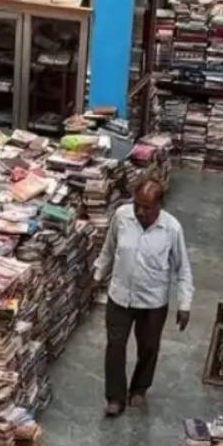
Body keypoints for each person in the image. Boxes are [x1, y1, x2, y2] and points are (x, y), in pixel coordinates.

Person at [92, 174, 195, 417]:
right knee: (115, 346)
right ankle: (115, 397)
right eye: (137, 204)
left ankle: (139, 388)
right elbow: (109, 249)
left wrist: (185, 304)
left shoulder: (171, 229)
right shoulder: (122, 217)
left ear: (159, 205)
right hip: (120, 295)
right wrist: (97, 276)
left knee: (149, 346)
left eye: (146, 207)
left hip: (152, 301)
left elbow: (183, 269)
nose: (139, 211)